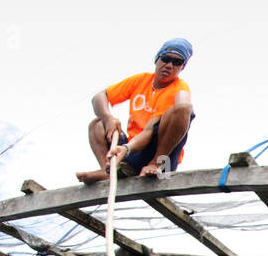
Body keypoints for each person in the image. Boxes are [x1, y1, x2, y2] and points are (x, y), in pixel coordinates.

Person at [77, 39, 194, 183]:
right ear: (157, 59)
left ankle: (155, 164)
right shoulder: (141, 80)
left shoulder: (179, 89)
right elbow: (100, 97)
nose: (169, 65)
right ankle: (108, 169)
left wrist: (127, 149)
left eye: (177, 62)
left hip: (160, 153)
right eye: (166, 59)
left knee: (183, 108)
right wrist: (108, 118)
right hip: (131, 151)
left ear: (182, 67)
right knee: (97, 124)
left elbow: (149, 131)